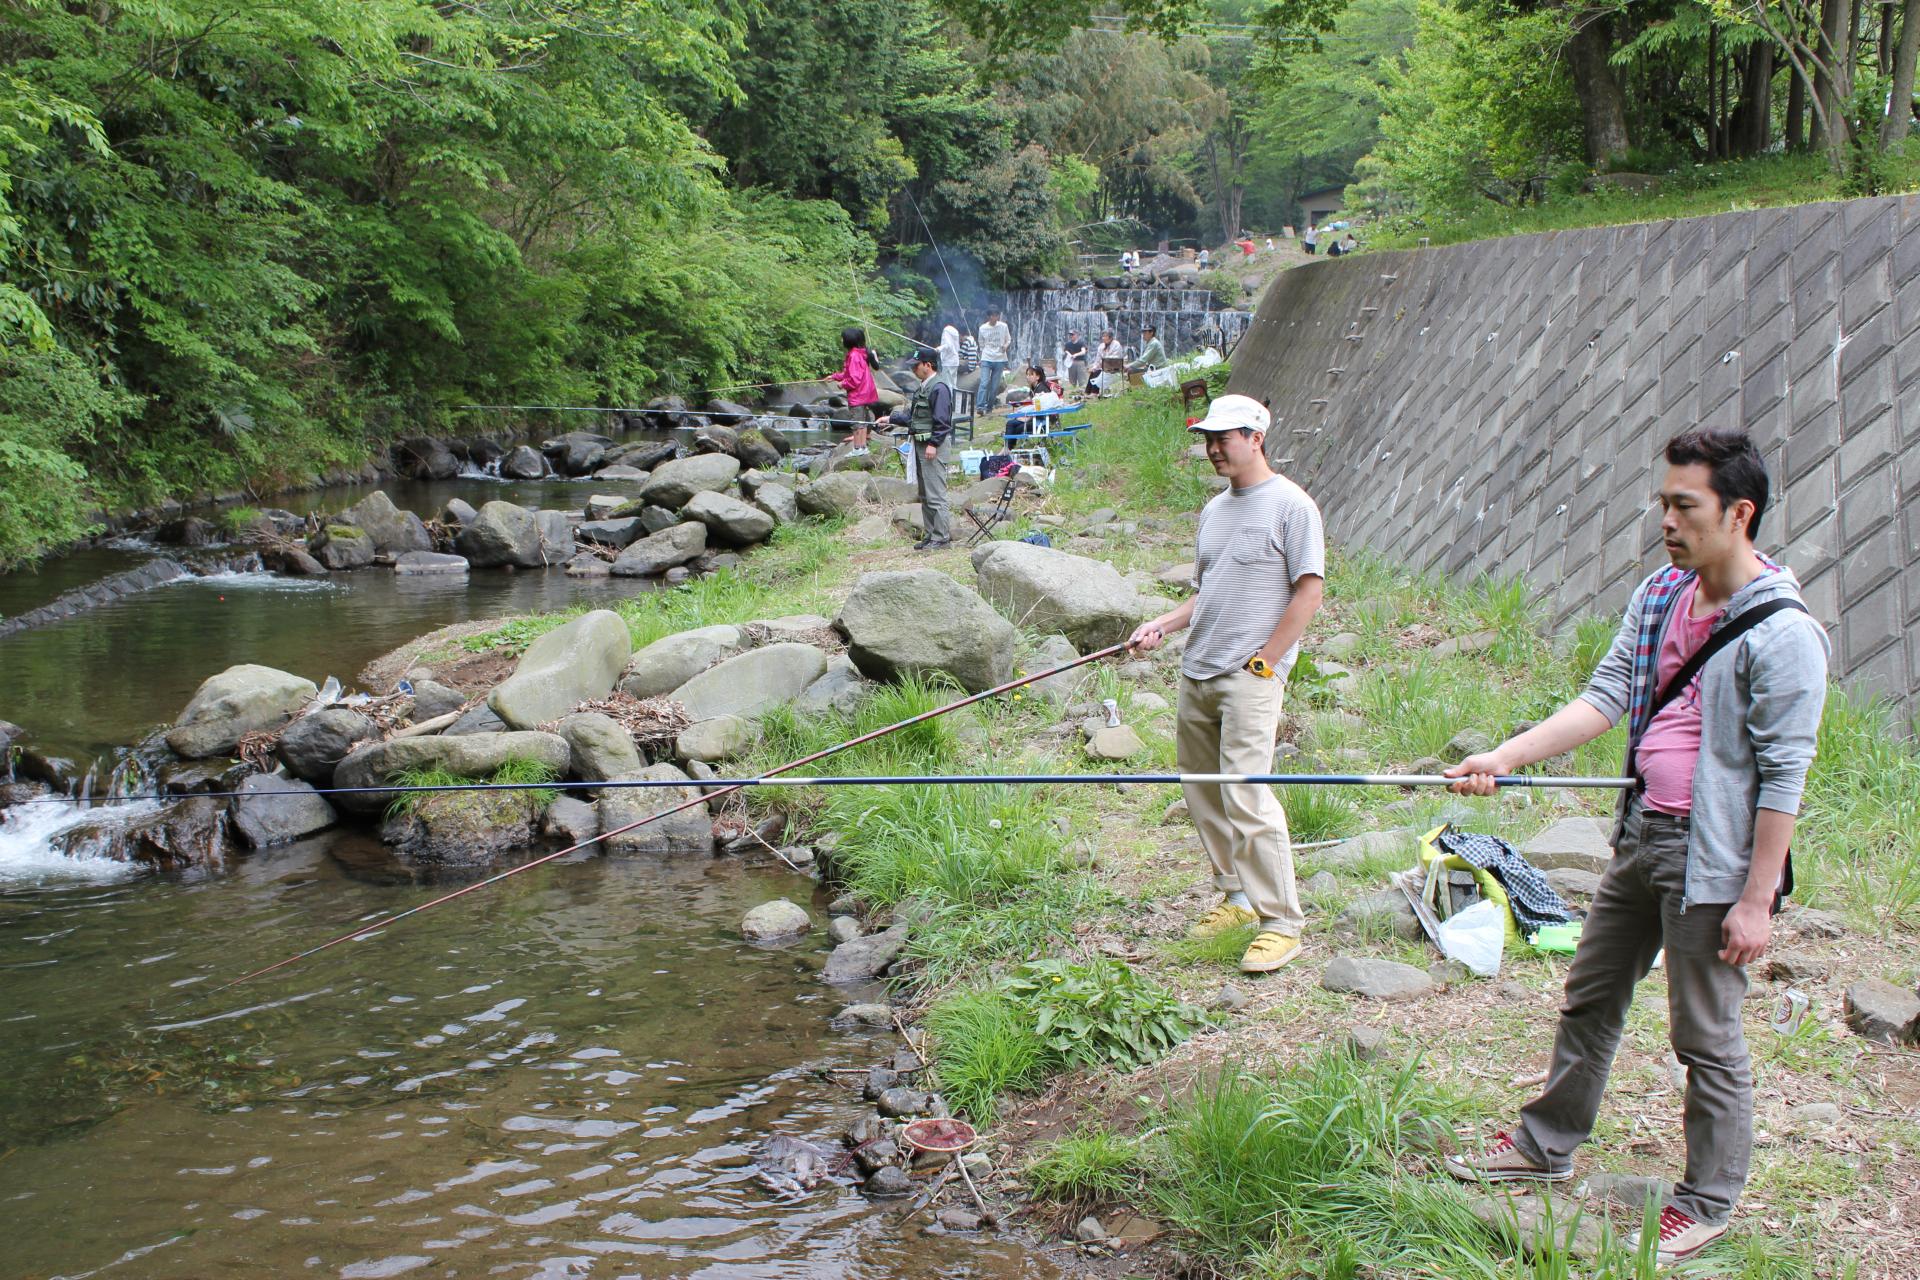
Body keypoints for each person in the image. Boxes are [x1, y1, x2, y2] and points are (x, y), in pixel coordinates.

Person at [1441, 428, 1829, 1265]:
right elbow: (1609, 692)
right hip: (1641, 836)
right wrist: (1505, 758)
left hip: (1713, 861)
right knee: (1590, 991)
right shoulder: (1661, 593)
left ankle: (1708, 1201)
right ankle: (1545, 1148)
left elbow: (1784, 778)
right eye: (1664, 502)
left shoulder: (1784, 632)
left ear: (1739, 513)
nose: (1667, 520)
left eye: (1684, 506)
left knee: (1706, 1034)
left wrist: (1758, 900)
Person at [1126, 394, 1324, 974]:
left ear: (1256, 438)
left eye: (1225, 438)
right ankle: (1236, 897)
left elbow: (1309, 591)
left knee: (1247, 795)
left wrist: (1266, 662)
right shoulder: (1214, 510)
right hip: (1198, 668)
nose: (1213, 449)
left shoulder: (1292, 506)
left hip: (1249, 676)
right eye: (1208, 439)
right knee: (1202, 791)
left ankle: (1282, 922)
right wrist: (1161, 624)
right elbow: (1207, 591)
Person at [873, 350, 953, 551]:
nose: (913, 369)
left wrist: (934, 444)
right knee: (925, 494)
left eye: (916, 365)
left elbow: (943, 422)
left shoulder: (940, 388)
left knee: (936, 494)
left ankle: (942, 538)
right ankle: (931, 535)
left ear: (928, 365)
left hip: (932, 447)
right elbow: (912, 416)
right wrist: (890, 419)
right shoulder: (923, 388)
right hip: (920, 444)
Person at [826, 326, 878, 455]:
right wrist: (834, 377)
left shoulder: (854, 355)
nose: (841, 340)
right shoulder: (860, 353)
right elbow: (849, 373)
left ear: (848, 341)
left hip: (858, 395)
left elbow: (853, 379)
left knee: (857, 423)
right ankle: (862, 447)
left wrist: (842, 384)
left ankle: (858, 448)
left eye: (842, 338)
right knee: (862, 422)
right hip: (866, 393)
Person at [977, 309, 1013, 415]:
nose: (995, 318)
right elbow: (981, 343)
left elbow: (1009, 339)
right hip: (986, 358)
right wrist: (983, 354)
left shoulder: (1003, 326)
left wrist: (1005, 346)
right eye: (993, 315)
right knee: (984, 382)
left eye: (997, 315)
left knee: (994, 386)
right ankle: (980, 407)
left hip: (1000, 359)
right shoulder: (983, 328)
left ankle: (989, 407)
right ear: (989, 316)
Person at [1096, 330, 1124, 396]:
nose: (1103, 338)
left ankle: (1101, 392)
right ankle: (1093, 392)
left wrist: (1102, 363)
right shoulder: (1101, 346)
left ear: (1111, 337)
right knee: (1094, 372)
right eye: (1102, 336)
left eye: (1105, 336)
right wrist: (1095, 366)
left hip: (1114, 368)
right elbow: (1098, 358)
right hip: (1104, 366)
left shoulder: (1116, 344)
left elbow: (1115, 358)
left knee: (1102, 375)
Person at [938, 322, 961, 386]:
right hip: (955, 361)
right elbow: (957, 347)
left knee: (947, 384)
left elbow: (948, 345)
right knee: (953, 383)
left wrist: (939, 349)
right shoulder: (955, 331)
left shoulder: (946, 330)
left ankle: (948, 396)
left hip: (948, 361)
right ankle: (954, 396)